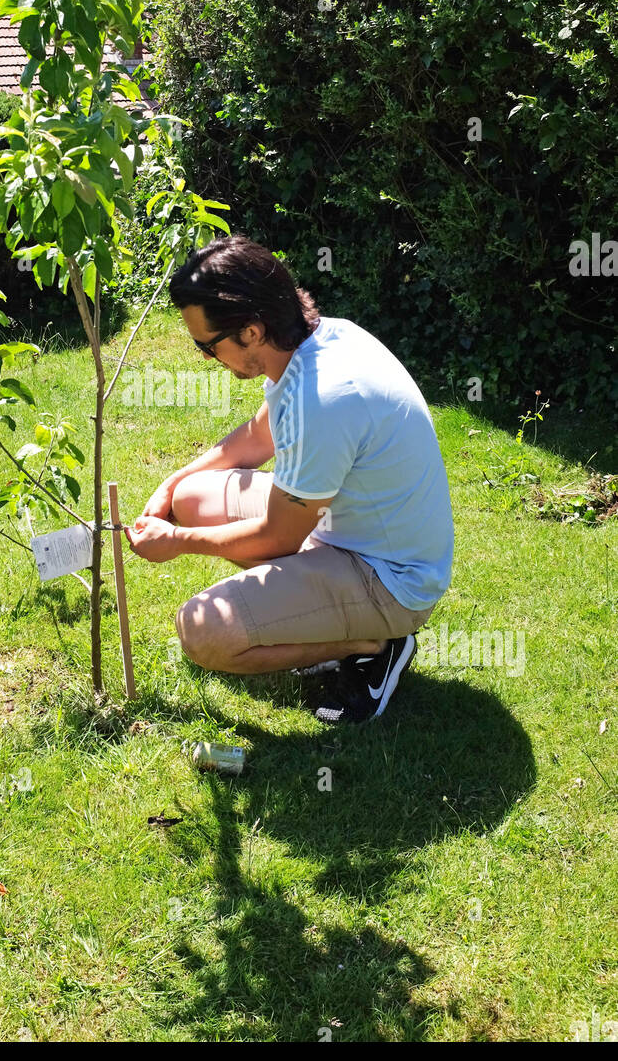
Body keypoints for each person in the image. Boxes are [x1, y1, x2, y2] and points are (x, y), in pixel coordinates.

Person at [124, 235, 454, 723]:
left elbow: (277, 537)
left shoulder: (322, 400)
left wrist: (176, 540)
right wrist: (172, 483)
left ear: (252, 332)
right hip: (344, 530)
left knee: (203, 634)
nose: (206, 358)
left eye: (207, 347)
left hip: (390, 579)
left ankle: (376, 642)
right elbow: (258, 437)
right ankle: (319, 618)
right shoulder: (317, 342)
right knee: (193, 496)